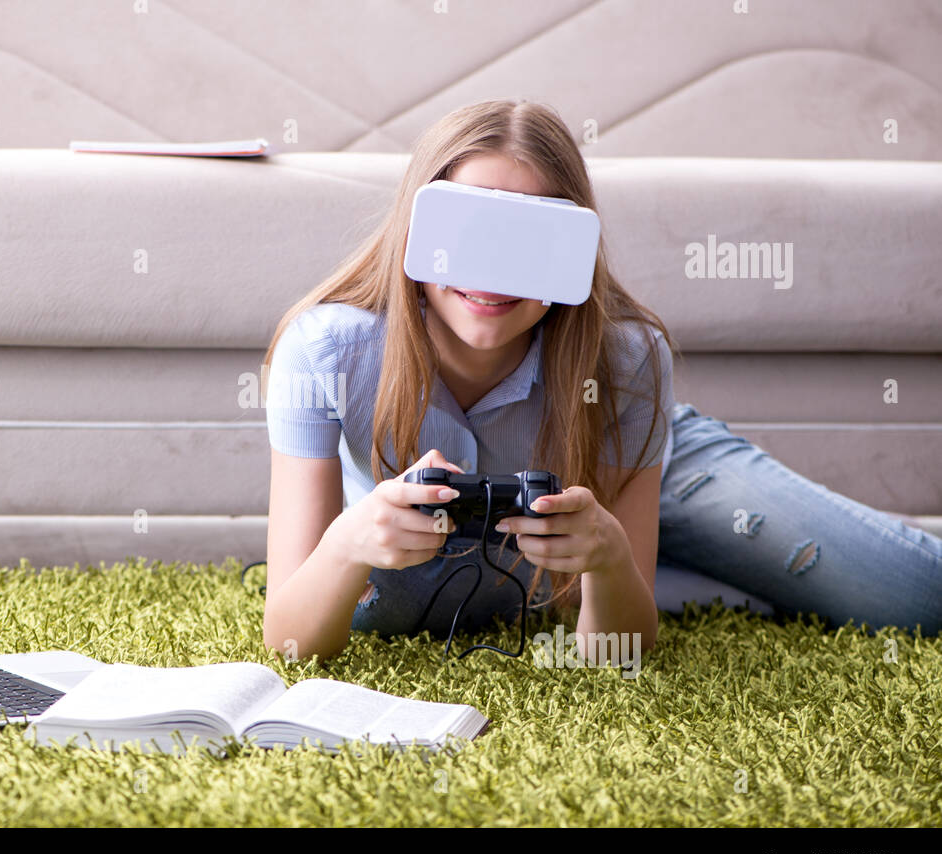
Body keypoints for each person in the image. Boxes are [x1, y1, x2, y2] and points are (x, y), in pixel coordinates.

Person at [260, 99, 942, 662]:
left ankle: (665, 551)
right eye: (470, 229)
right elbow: (288, 640)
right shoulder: (326, 352)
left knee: (917, 593)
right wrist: (349, 541)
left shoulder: (627, 360)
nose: (493, 273)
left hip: (645, 462)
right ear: (417, 228)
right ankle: (682, 567)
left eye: (529, 240)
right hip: (559, 529)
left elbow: (619, 654)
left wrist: (614, 553)